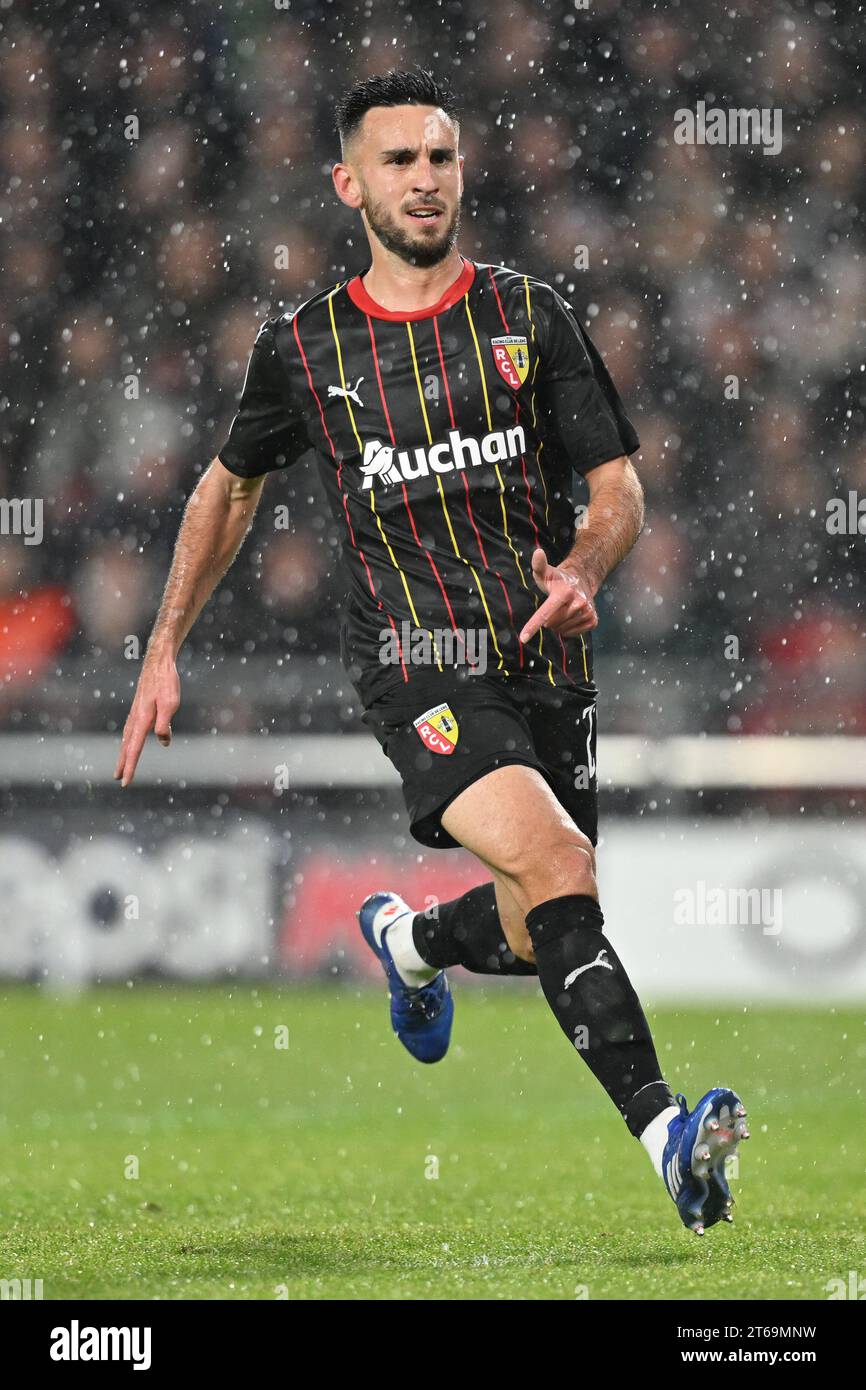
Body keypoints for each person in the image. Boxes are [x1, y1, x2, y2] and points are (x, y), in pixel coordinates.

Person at [115, 66, 749, 1236]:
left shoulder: (526, 316)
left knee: (546, 912)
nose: (423, 179)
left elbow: (618, 490)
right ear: (348, 182)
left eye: (440, 157)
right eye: (398, 160)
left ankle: (409, 942)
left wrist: (584, 569)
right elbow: (225, 490)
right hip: (415, 658)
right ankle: (668, 1137)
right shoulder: (304, 349)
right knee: (557, 873)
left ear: (462, 171)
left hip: (542, 651)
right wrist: (163, 647)